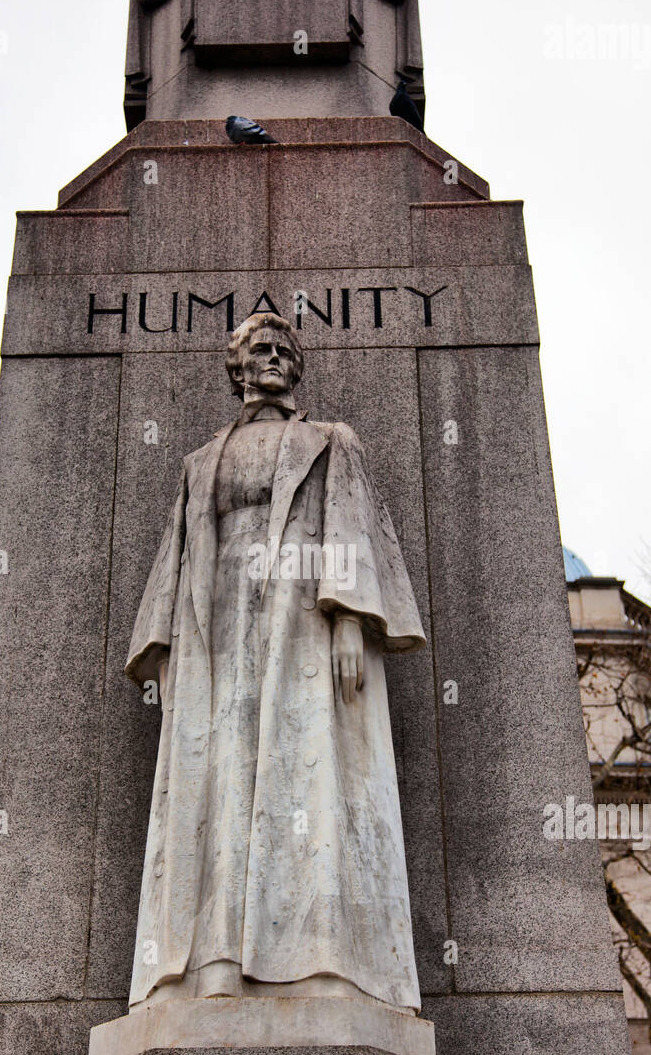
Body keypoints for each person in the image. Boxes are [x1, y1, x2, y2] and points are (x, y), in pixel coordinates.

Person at [126, 312, 426, 1012]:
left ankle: (320, 960)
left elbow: (350, 527)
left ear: (297, 366)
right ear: (236, 366)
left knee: (307, 783)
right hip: (218, 631)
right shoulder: (201, 464)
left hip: (302, 625)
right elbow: (174, 561)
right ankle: (216, 961)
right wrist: (166, 654)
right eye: (258, 349)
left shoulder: (331, 443)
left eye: (283, 350)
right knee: (222, 791)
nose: (271, 358)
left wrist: (350, 618)